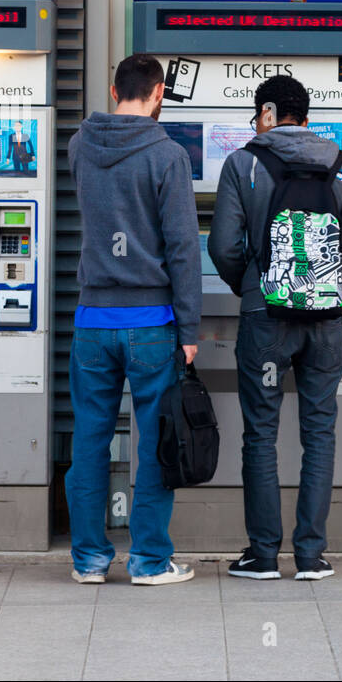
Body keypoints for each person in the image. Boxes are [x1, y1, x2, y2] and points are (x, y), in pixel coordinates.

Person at [209, 75, 342, 581]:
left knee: (260, 434)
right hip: (325, 324)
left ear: (267, 112)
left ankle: (262, 556)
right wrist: (329, 283)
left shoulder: (242, 163)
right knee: (319, 433)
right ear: (305, 115)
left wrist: (254, 287)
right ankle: (310, 556)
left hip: (266, 322)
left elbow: (223, 246)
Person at [65, 53, 202, 586]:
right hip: (150, 322)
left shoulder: (80, 144)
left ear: (112, 87)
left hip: (92, 321)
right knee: (156, 442)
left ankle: (89, 560)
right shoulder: (166, 154)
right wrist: (188, 331)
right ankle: (147, 561)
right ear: (159, 92)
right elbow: (183, 248)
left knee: (89, 443)